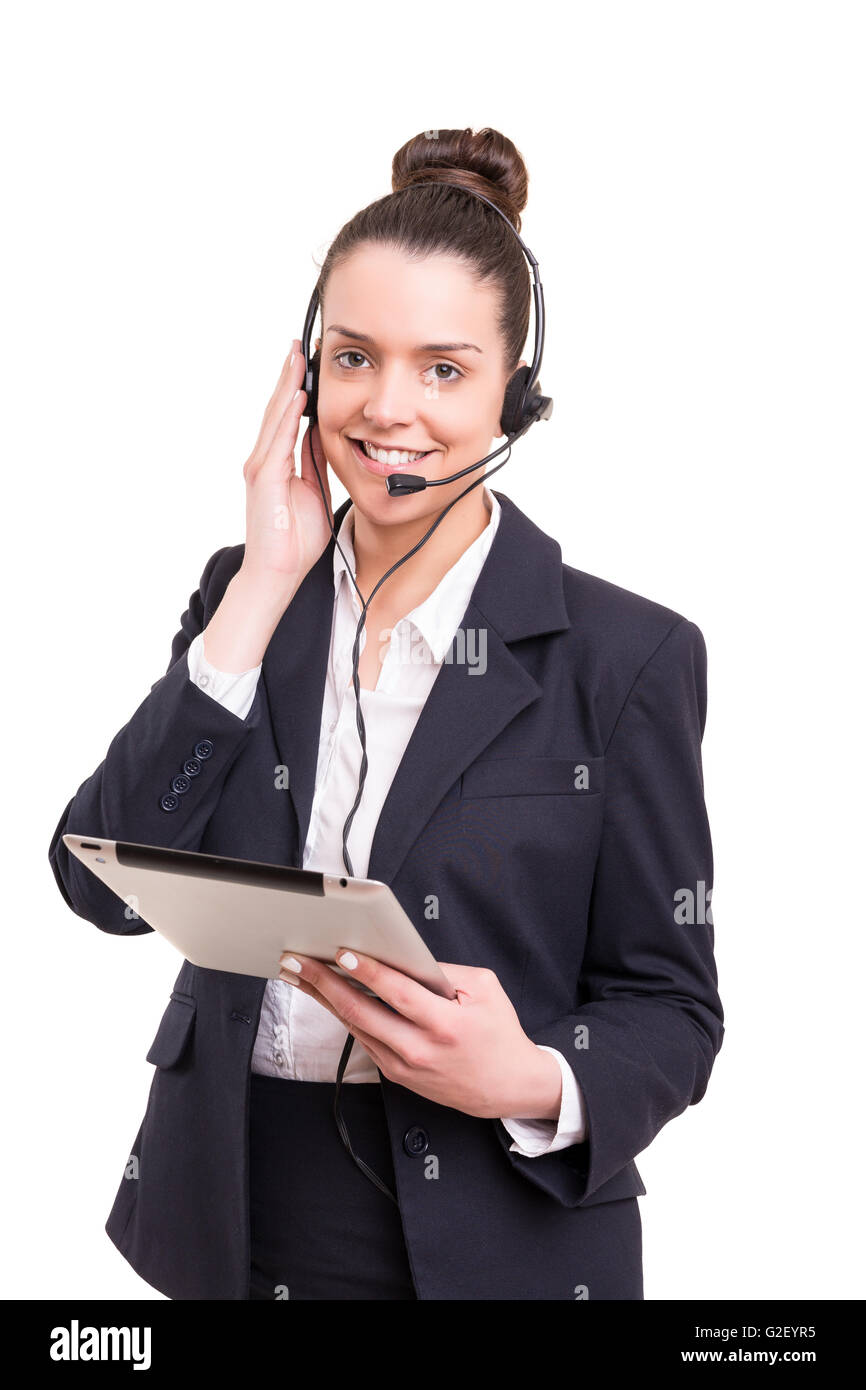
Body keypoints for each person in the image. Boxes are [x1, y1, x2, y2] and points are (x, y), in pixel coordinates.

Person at [47, 126, 724, 1301]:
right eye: (353, 358)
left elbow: (670, 1008)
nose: (387, 409)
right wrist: (260, 584)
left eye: (444, 368)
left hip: (493, 1241)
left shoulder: (625, 657)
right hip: (230, 1222)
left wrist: (524, 1074)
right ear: (306, 370)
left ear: (516, 390)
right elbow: (98, 884)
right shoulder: (242, 596)